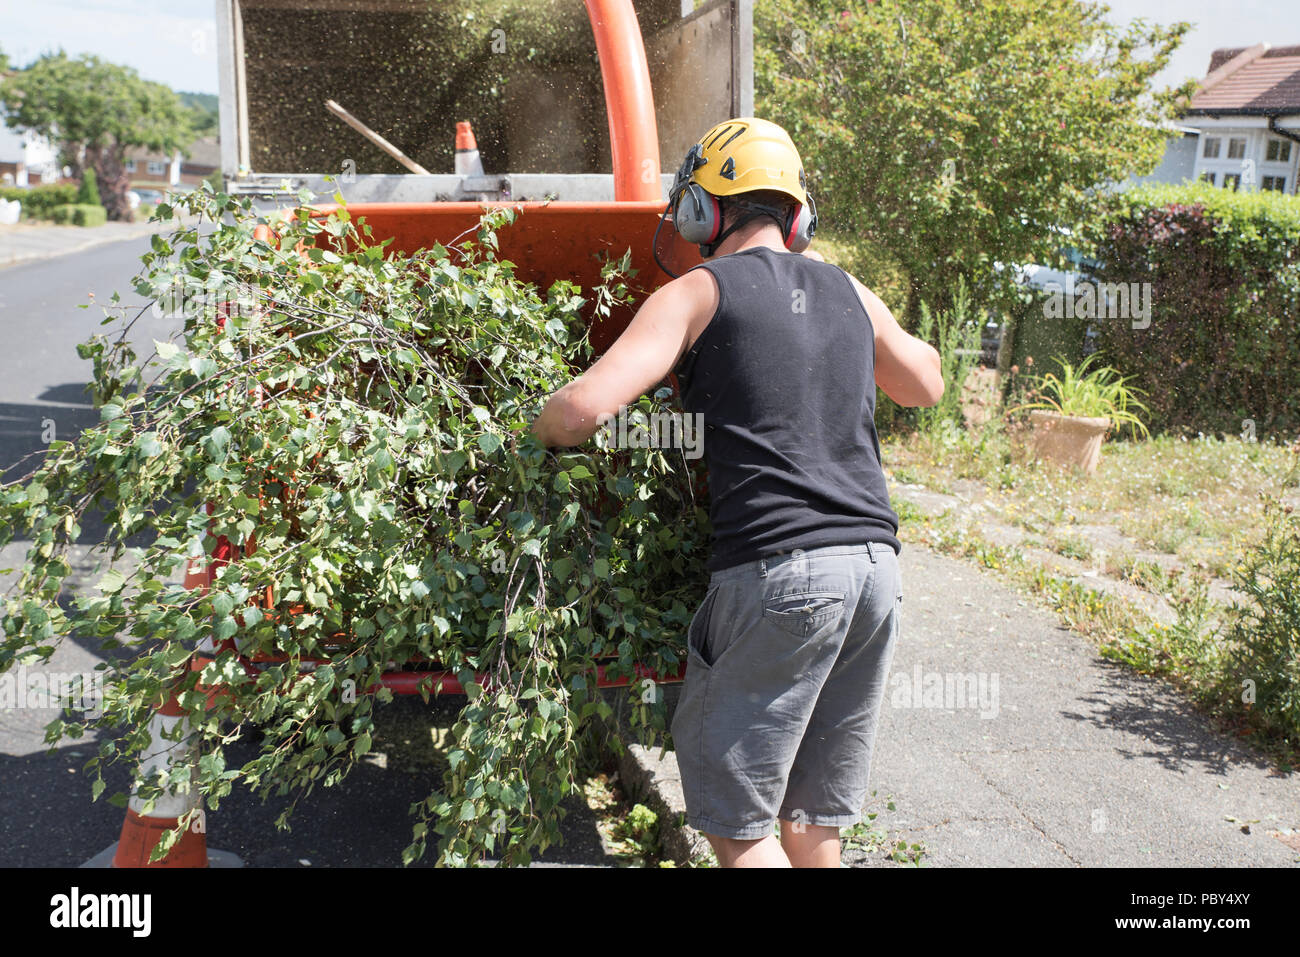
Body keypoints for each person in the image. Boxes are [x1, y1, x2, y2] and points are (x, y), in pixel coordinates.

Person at [530, 117, 943, 867]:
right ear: (799, 216)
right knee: (812, 818)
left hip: (780, 574)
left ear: (702, 211)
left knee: (736, 821)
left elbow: (584, 410)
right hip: (875, 572)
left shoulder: (695, 292)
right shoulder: (849, 289)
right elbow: (926, 382)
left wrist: (530, 431)